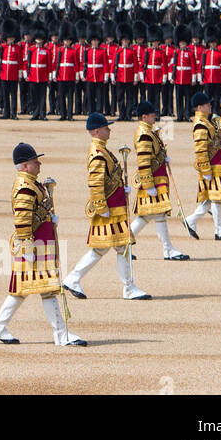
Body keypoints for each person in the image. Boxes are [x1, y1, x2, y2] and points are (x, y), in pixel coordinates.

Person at [0, 143, 85, 346]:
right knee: (47, 289)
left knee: (23, 290)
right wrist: (27, 246)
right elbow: (22, 218)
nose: (39, 164)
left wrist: (49, 218)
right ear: (24, 166)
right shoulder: (25, 186)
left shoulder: (31, 183)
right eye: (34, 162)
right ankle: (61, 333)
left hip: (39, 245)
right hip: (34, 246)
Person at [61, 112, 150, 301]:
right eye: (106, 128)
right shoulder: (98, 153)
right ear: (96, 131)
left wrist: (121, 188)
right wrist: (102, 207)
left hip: (114, 205)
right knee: (120, 248)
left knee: (105, 249)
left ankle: (74, 278)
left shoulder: (102, 150)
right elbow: (95, 183)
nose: (109, 130)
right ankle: (128, 287)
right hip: (110, 209)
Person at [128, 101, 189, 260]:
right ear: (144, 116)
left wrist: (162, 156)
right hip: (153, 179)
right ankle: (167, 249)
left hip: (157, 177)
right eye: (152, 114)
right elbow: (143, 161)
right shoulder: (144, 134)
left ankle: (125, 243)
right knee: (156, 214)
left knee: (148, 215)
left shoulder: (149, 131)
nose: (155, 116)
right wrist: (148, 185)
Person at [184, 92, 221, 240]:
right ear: (200, 107)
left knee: (210, 199)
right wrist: (206, 170)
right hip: (212, 166)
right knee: (216, 198)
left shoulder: (207, 121)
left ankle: (191, 221)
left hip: (217, 163)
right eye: (207, 104)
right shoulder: (201, 124)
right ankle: (219, 230)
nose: (210, 106)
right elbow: (201, 150)